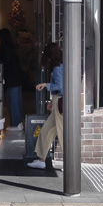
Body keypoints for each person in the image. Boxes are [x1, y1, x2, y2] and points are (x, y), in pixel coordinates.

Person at [27, 42, 64, 170]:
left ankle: (70, 163)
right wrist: (51, 101)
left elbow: (60, 86)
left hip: (60, 102)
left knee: (63, 133)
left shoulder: (57, 68)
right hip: (58, 102)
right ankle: (41, 160)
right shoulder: (60, 65)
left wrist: (45, 85)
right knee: (46, 131)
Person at [0, 28, 26, 129]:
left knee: (13, 102)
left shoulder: (6, 48)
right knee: (16, 102)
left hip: (12, 79)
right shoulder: (12, 46)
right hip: (16, 78)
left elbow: (5, 61)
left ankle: (16, 124)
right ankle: (18, 123)